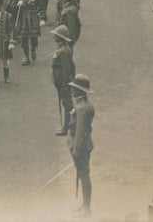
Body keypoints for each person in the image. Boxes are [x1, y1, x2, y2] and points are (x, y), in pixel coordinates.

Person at [67, 74, 95, 216]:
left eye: (75, 88)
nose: (72, 90)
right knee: (82, 174)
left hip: (81, 146)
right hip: (81, 144)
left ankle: (86, 208)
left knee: (84, 175)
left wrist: (76, 149)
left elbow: (80, 131)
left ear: (81, 91)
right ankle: (84, 204)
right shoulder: (82, 103)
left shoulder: (83, 107)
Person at [51, 25, 76, 136]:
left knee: (67, 104)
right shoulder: (64, 49)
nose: (54, 37)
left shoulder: (63, 51)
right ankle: (69, 126)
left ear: (60, 37)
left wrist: (66, 83)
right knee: (66, 103)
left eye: (56, 35)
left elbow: (67, 68)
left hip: (63, 80)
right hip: (60, 79)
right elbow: (73, 66)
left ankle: (68, 127)